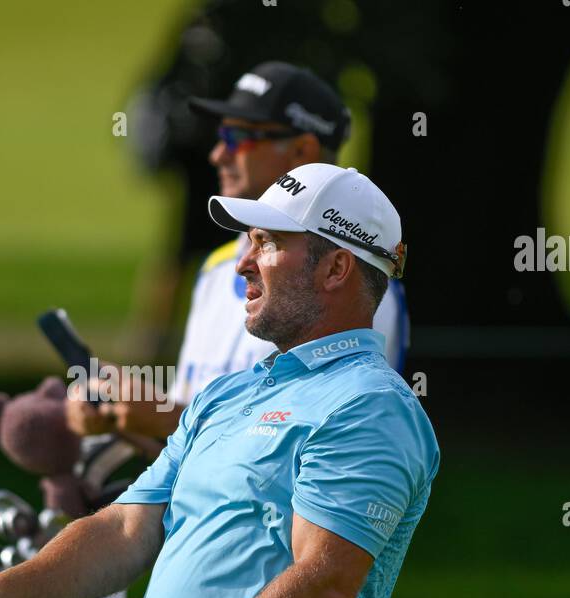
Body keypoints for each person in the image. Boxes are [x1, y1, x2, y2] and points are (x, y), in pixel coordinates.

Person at [0, 163, 440, 598]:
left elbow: (325, 577)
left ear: (335, 268)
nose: (246, 263)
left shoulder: (368, 406)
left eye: (270, 243)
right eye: (250, 240)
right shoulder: (227, 397)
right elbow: (121, 531)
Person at [67, 61, 409, 442]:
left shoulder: (350, 286)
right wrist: (118, 418)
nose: (217, 155)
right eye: (219, 136)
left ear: (302, 149)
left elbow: (293, 451)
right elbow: (181, 458)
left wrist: (163, 417)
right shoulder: (215, 270)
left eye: (237, 138)